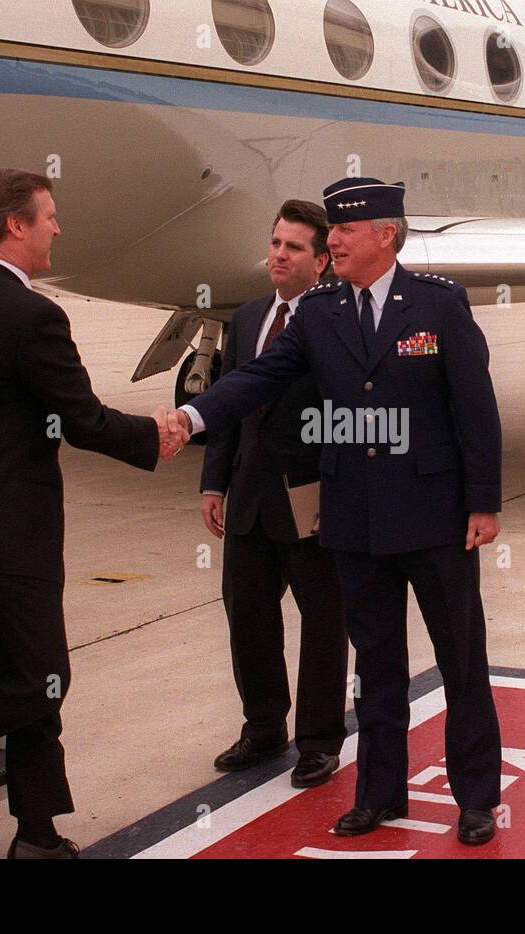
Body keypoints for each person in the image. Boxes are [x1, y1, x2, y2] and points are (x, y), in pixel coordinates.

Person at [171, 178, 504, 845]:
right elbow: (258, 377)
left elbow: (476, 410)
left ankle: (475, 799)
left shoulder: (438, 306)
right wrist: (190, 414)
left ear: (385, 234)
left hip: (437, 518)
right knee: (374, 665)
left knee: (461, 661)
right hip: (353, 518)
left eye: (344, 232)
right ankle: (380, 794)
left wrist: (483, 503)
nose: (333, 243)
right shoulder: (320, 312)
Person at [0, 169, 187, 859]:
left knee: (17, 677)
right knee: (38, 679)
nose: (57, 228)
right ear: (15, 225)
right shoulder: (32, 314)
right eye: (48, 216)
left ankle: (38, 835)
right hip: (12, 529)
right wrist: (155, 437)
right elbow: (80, 421)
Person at [200, 200, 348, 788]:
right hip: (249, 499)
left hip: (310, 500)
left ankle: (318, 740)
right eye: (275, 242)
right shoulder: (248, 318)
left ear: (321, 262)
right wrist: (214, 482)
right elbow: (229, 403)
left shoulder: (336, 320)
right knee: (249, 619)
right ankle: (263, 728)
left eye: (293, 247)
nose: (279, 255)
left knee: (323, 622)